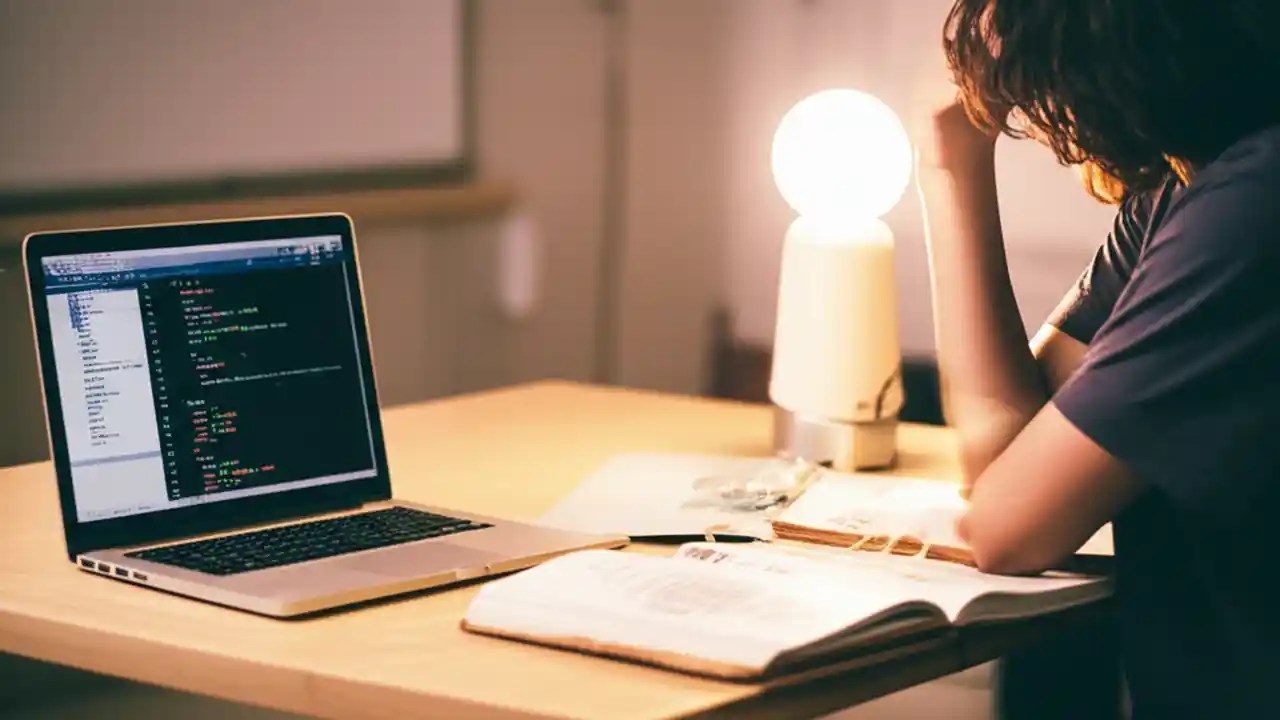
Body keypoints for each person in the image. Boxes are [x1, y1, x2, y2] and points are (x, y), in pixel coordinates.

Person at [917, 0, 1280, 717]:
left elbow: (1008, 528)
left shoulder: (1254, 207)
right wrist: (950, 160)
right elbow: (1005, 458)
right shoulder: (1183, 193)